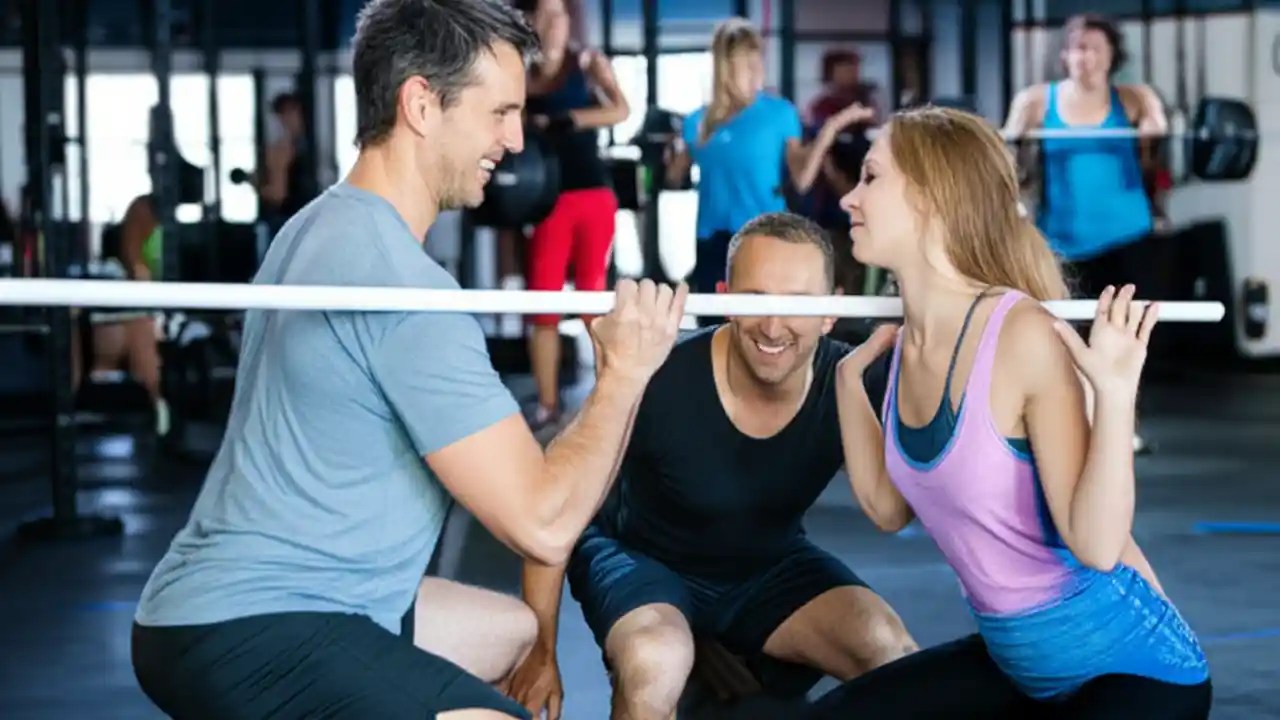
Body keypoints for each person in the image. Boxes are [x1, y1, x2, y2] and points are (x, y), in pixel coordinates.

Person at [129, 2, 688, 719]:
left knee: (518, 636)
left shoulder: (320, 223)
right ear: (422, 104)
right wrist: (624, 373)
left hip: (261, 597)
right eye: (499, 113)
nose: (516, 140)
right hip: (253, 624)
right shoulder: (403, 288)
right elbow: (543, 523)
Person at [802, 105, 1210, 719]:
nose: (849, 200)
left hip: (1133, 671)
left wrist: (1117, 396)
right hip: (1022, 665)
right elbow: (888, 509)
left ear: (930, 197)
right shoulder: (908, 339)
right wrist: (844, 377)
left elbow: (1097, 545)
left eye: (871, 177)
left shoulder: (1017, 333)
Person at [504, 212, 919, 720]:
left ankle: (723, 644)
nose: (772, 326)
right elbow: (553, 507)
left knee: (889, 650)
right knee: (656, 662)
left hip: (766, 563)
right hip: (640, 558)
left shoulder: (853, 379)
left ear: (831, 309)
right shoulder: (659, 373)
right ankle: (690, 642)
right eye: (754, 300)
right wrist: (540, 648)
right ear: (723, 297)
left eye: (798, 304)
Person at [1003, 13, 1170, 453]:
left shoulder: (1133, 98)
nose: (1086, 57)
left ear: (1112, 57)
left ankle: (1123, 424)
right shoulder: (1036, 101)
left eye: (1096, 49)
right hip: (1061, 238)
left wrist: (1154, 129)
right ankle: (1066, 421)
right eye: (1078, 48)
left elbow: (1158, 125)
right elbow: (1007, 158)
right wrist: (1011, 141)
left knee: (1122, 336)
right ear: (1064, 55)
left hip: (1126, 236)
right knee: (1060, 338)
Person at [666, 18, 873, 326]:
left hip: (764, 237)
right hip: (712, 241)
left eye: (759, 60)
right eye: (747, 63)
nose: (758, 69)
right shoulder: (697, 122)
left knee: (760, 328)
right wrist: (672, 155)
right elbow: (672, 176)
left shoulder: (779, 113)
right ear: (726, 68)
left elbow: (802, 179)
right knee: (712, 331)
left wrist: (831, 128)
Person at [515, 0, 631, 432]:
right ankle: (548, 405)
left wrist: (568, 120)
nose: (553, 22)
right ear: (530, 20)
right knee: (543, 303)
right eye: (544, 13)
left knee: (592, 299)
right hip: (546, 199)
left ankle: (612, 400)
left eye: (559, 13)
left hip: (594, 194)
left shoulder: (587, 64)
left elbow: (620, 110)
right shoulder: (519, 70)